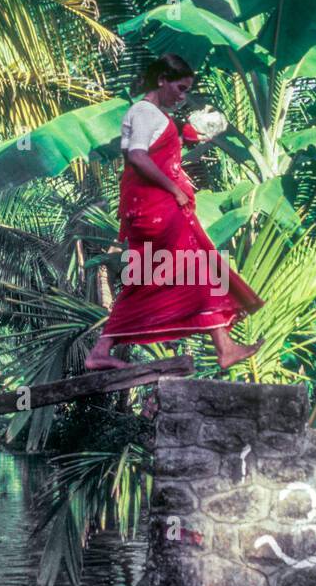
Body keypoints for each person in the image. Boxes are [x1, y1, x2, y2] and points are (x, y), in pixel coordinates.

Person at [84, 54, 264, 371]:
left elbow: (149, 154)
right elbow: (138, 157)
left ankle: (101, 350)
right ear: (162, 80)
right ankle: (224, 348)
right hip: (156, 209)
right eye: (179, 88)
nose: (182, 96)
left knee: (144, 279)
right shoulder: (144, 111)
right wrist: (174, 188)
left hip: (148, 209)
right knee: (200, 266)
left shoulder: (149, 114)